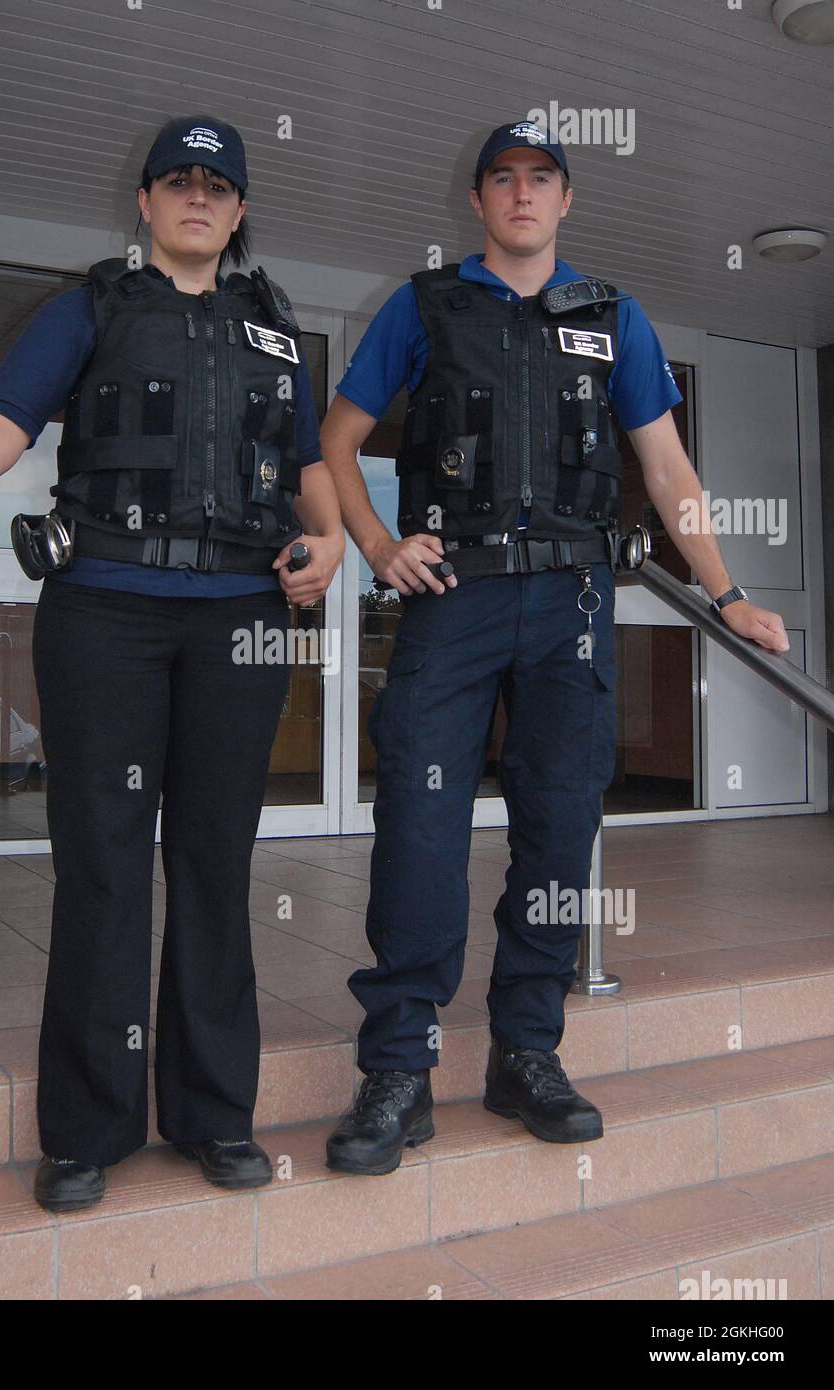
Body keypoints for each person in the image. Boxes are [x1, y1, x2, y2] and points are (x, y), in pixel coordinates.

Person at [0, 114, 345, 1211]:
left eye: (217, 186)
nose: (197, 196)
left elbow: (304, 467)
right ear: (144, 202)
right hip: (107, 612)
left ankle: (212, 1114)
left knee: (213, 864)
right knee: (102, 866)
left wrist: (329, 541)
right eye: (176, 181)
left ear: (237, 213)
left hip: (237, 620)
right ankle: (87, 1131)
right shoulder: (89, 306)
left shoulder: (276, 332)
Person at [318, 119, 789, 1176]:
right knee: (420, 832)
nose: (523, 194)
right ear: (477, 200)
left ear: (565, 199)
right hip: (453, 597)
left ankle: (526, 1050)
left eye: (542, 178)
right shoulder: (425, 304)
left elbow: (666, 470)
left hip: (572, 604)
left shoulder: (610, 318)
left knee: (560, 829)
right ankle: (399, 1063)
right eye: (503, 179)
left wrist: (730, 592)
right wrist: (380, 545)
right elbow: (339, 438)